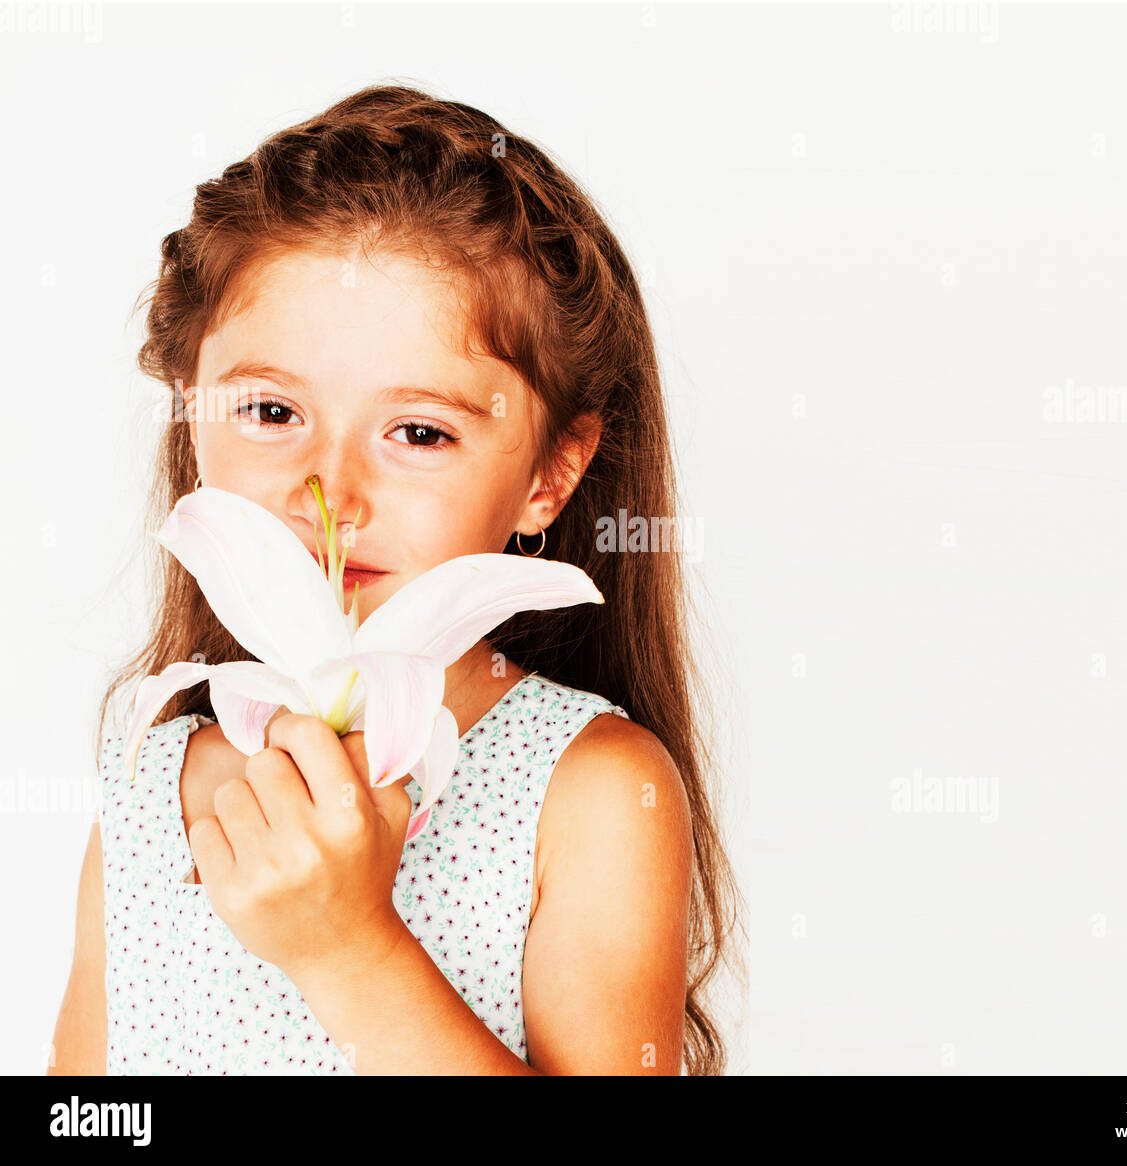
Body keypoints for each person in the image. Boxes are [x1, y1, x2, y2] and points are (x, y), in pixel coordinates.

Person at [47, 82, 745, 1076]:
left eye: (418, 432)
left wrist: (350, 949)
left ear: (550, 475)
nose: (329, 493)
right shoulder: (157, 782)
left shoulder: (591, 795)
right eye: (270, 413)